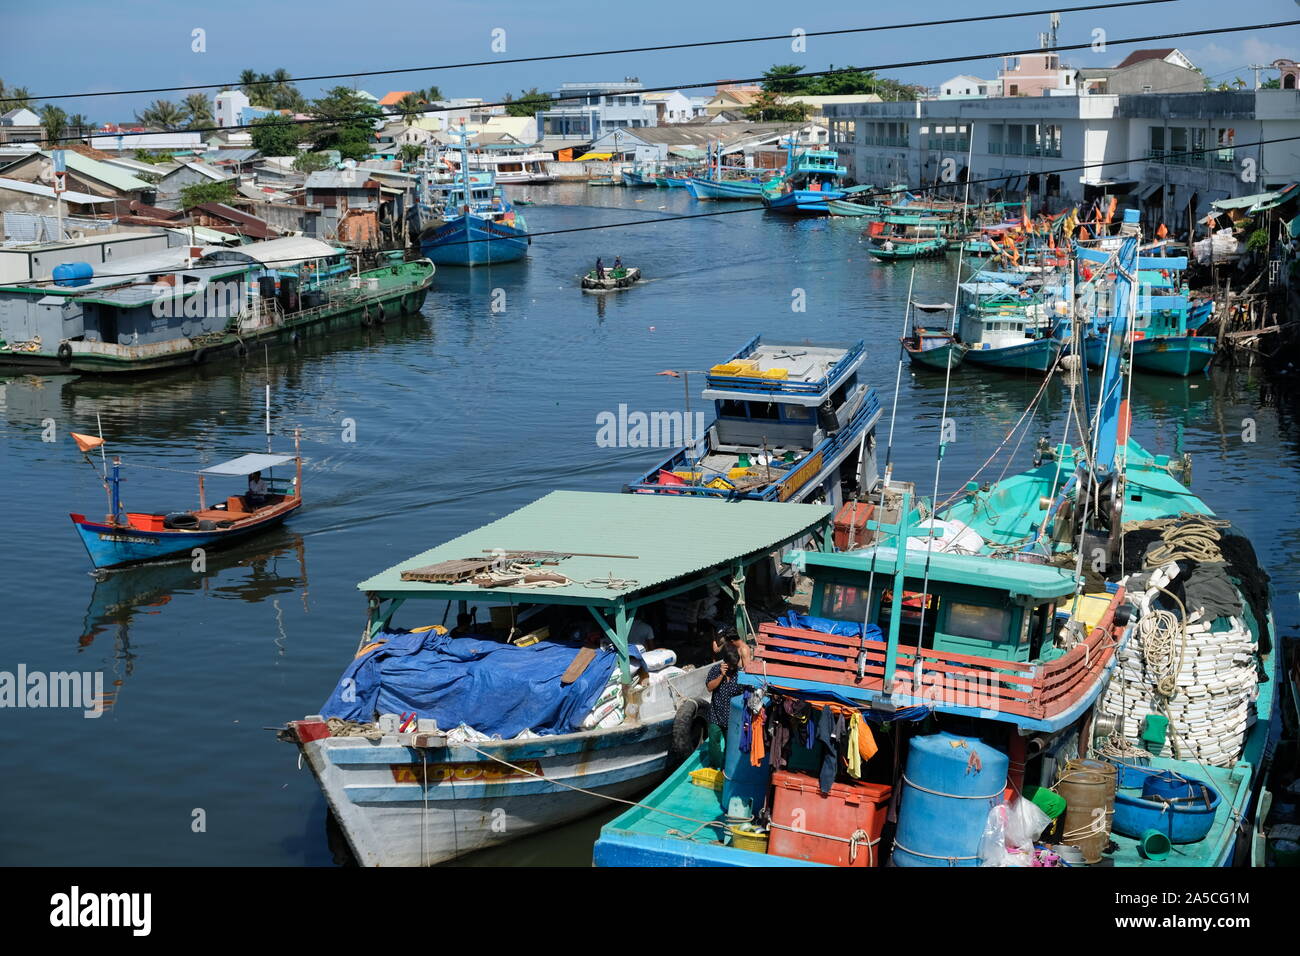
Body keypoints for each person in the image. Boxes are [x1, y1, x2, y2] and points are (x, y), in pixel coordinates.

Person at [704, 643, 743, 769]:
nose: (733, 668)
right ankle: (714, 765)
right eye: (730, 665)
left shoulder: (739, 674)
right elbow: (710, 688)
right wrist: (721, 675)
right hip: (715, 714)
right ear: (725, 662)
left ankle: (726, 767)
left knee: (730, 744)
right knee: (714, 742)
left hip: (732, 717)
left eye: (734, 665)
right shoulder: (715, 670)